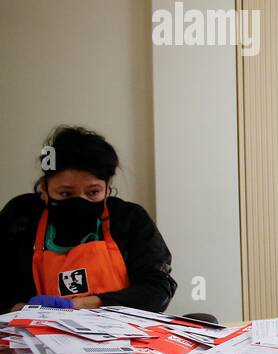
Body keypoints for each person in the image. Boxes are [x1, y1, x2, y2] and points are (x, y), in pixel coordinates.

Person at [1, 126, 176, 313]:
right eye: (65, 193)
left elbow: (157, 289)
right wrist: (19, 309)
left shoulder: (129, 219)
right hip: (33, 334)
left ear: (107, 188)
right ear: (44, 188)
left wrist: (80, 304)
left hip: (120, 336)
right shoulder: (21, 216)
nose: (80, 202)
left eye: (93, 192)